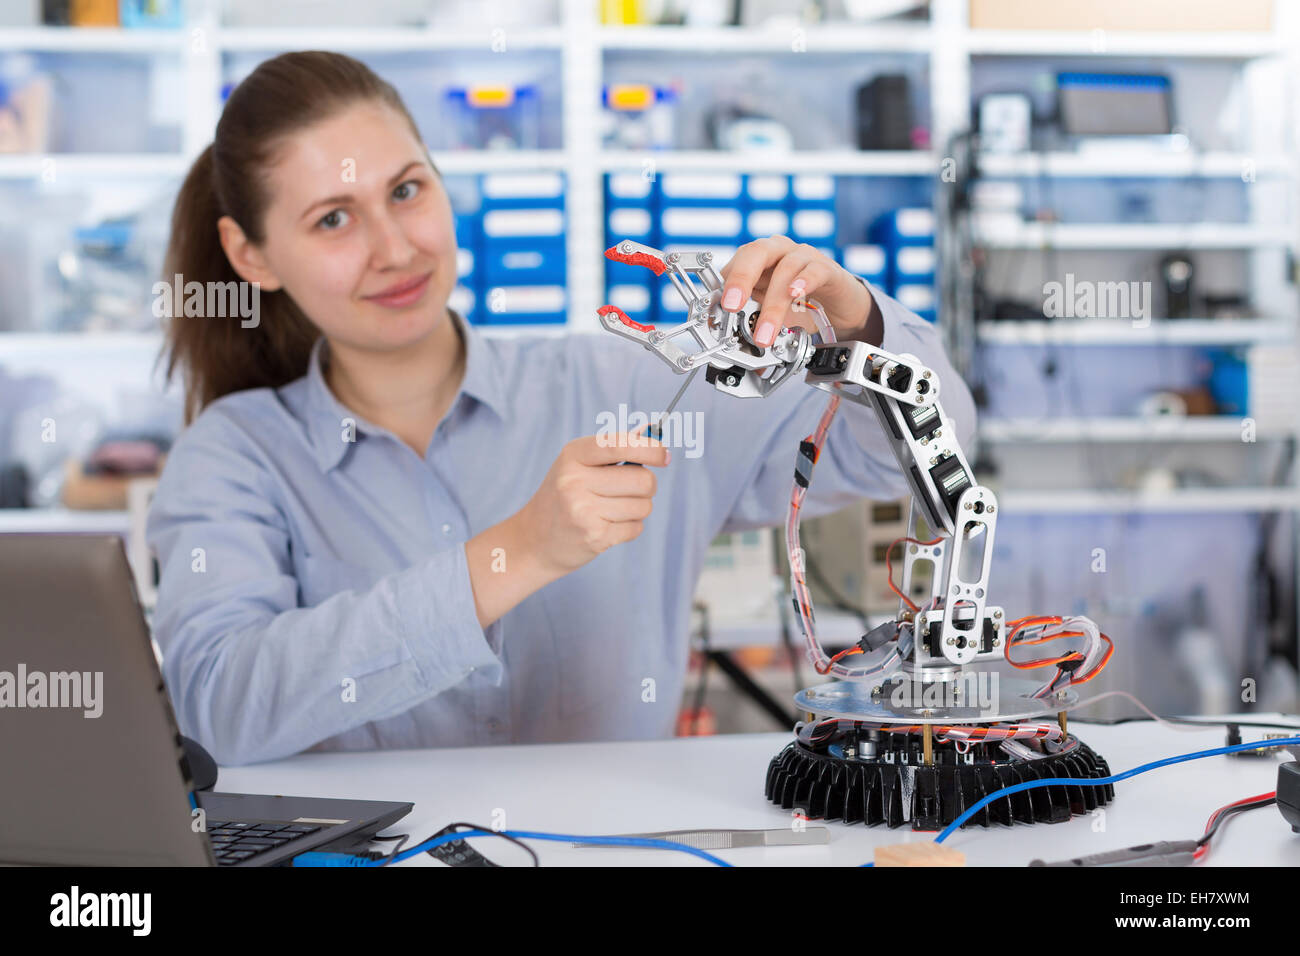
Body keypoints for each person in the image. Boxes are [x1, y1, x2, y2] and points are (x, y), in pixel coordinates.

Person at [147, 51, 976, 765]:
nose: (395, 248)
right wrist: (515, 555)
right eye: (334, 219)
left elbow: (924, 456)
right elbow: (220, 707)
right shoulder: (235, 453)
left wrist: (859, 322)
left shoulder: (632, 389)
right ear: (249, 254)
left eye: (406, 191)